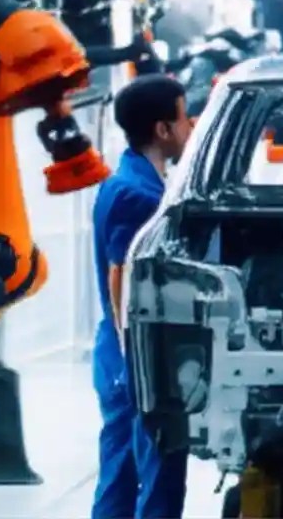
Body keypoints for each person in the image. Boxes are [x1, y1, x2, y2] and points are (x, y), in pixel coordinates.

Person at [91, 75, 194, 519]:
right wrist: (135, 356)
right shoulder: (138, 195)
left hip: (120, 354)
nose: (191, 126)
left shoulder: (128, 181)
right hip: (138, 355)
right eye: (185, 117)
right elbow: (122, 275)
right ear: (162, 129)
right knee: (158, 470)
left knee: (120, 468)